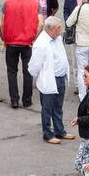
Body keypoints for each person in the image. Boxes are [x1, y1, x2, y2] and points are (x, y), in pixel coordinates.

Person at [30, 16, 73, 144]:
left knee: (58, 107)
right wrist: (39, 78)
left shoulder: (57, 38)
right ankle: (47, 134)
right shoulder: (41, 44)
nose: (60, 31)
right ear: (51, 29)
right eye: (58, 28)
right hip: (49, 80)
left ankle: (60, 131)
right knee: (47, 108)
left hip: (60, 79)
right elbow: (34, 66)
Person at [2, 0, 42, 109]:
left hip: (11, 41)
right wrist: (34, 39)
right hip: (27, 42)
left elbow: (3, 23)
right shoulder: (36, 3)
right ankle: (27, 99)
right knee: (28, 71)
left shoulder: (8, 1)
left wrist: (4, 38)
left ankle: (14, 99)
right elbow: (40, 24)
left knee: (11, 71)